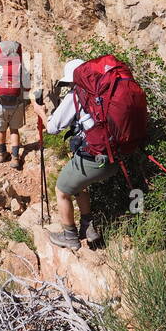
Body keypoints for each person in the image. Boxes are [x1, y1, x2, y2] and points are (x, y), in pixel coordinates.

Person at [31, 58, 116, 249]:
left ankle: (70, 236)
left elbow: (53, 128)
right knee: (79, 184)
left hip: (94, 157)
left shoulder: (76, 94)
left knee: (61, 190)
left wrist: (40, 112)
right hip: (114, 155)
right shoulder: (103, 90)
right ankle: (88, 228)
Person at [0, 37, 31, 169]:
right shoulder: (20, 64)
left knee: (1, 129)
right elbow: (27, 86)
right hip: (16, 102)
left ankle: (2, 154)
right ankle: (15, 158)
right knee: (14, 130)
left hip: (0, 103)